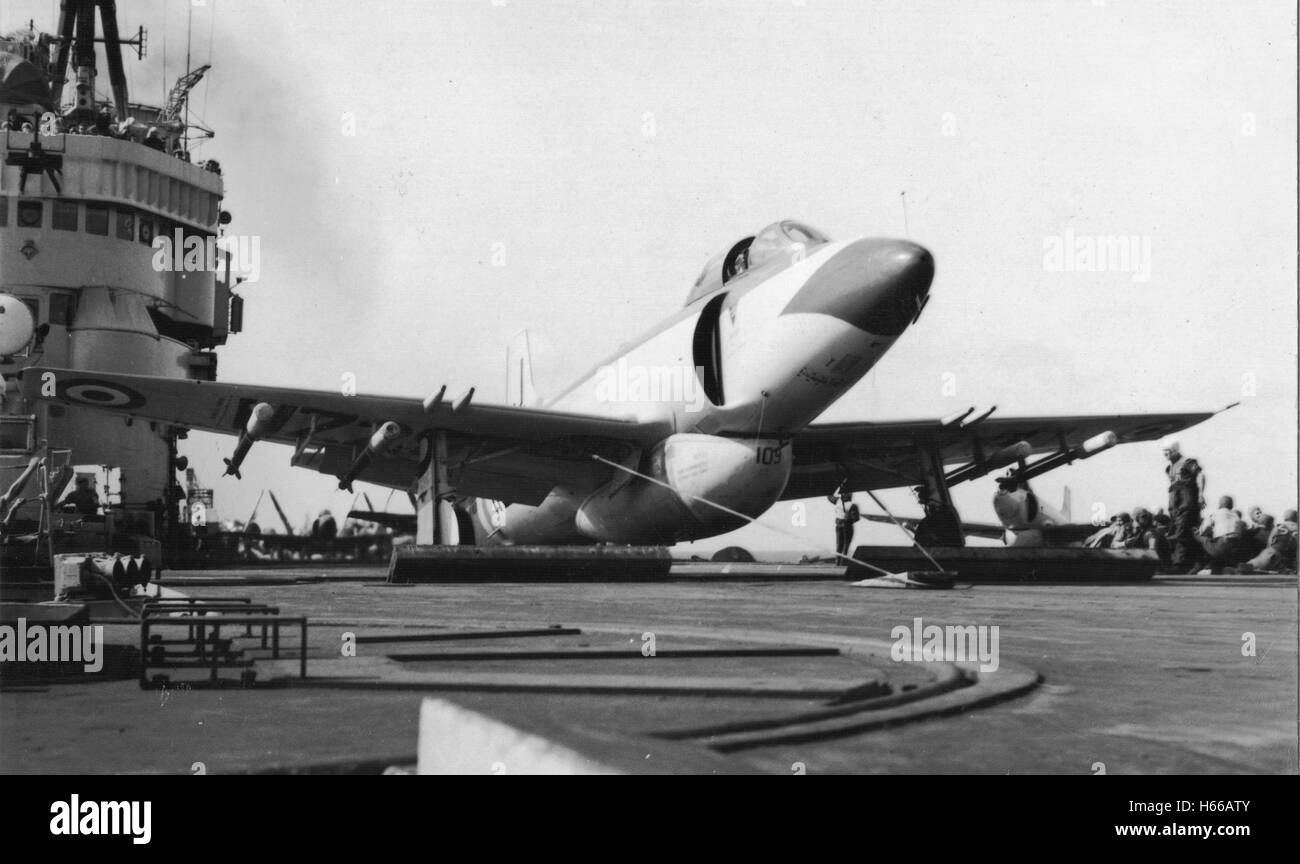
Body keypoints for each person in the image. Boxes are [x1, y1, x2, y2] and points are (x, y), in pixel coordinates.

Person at [1163, 442, 1204, 573]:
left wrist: (1201, 495)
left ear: (1175, 451)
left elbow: (1200, 475)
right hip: (1175, 505)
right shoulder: (1169, 468)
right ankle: (1193, 562)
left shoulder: (1187, 462)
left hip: (1187, 503)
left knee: (1182, 533)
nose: (1165, 454)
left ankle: (1180, 565)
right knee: (1178, 532)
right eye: (1164, 451)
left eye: (1168, 451)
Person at [1238, 509, 1298, 574]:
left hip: (1274, 552)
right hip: (1289, 557)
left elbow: (1271, 541)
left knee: (1253, 564)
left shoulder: (1279, 527)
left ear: (1285, 517)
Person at [1198, 495, 1245, 572]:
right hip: (1235, 549)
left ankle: (1201, 565)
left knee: (1201, 538)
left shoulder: (1215, 514)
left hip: (1221, 546)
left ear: (1220, 504)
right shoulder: (1236, 516)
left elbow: (1203, 530)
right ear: (1231, 505)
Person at [828, 485, 858, 557]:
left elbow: (829, 496)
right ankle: (842, 561)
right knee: (846, 545)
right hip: (848, 526)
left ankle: (838, 562)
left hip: (839, 525)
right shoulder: (853, 505)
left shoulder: (837, 501)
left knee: (839, 545)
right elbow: (856, 518)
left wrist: (838, 486)